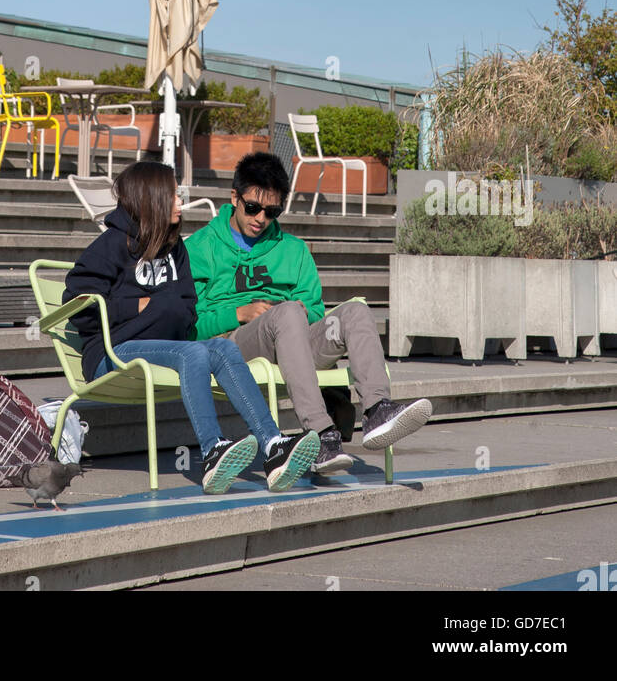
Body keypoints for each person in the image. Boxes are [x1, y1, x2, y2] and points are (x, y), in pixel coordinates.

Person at [63, 160, 319, 495]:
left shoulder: (175, 249)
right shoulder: (111, 245)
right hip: (113, 352)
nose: (180, 203)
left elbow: (186, 308)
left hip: (164, 347)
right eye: (173, 197)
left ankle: (273, 446)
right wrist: (140, 307)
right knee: (194, 352)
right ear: (150, 199)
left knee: (224, 347)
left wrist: (160, 311)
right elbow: (77, 304)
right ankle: (213, 451)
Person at [185, 151, 433, 475]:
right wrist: (238, 313)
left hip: (294, 338)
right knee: (287, 312)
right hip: (235, 346)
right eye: (252, 207)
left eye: (272, 211)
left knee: (355, 311)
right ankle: (320, 435)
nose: (261, 218)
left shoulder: (294, 249)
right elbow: (188, 325)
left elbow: (314, 307)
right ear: (234, 197)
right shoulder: (199, 248)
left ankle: (377, 409)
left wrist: (302, 311)